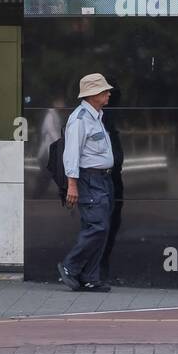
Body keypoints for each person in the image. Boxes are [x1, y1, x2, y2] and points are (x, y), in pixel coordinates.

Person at [57, 73, 116, 293]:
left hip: (102, 179)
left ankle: (90, 277)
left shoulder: (96, 116)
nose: (108, 94)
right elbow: (71, 154)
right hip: (88, 180)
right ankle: (70, 267)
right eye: (104, 91)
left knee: (100, 228)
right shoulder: (80, 118)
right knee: (97, 227)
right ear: (93, 95)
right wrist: (72, 184)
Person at [98, 79, 125, 285]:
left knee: (109, 223)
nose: (108, 96)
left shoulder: (105, 118)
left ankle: (97, 267)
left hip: (112, 178)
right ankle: (89, 268)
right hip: (100, 179)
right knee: (99, 226)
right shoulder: (88, 119)